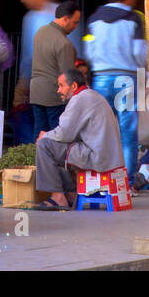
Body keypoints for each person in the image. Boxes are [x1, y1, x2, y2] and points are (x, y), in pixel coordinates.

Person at [31, 68, 124, 210]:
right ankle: (71, 193)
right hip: (107, 156)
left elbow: (64, 133)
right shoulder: (92, 95)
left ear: (73, 86)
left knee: (44, 145)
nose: (58, 90)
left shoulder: (80, 99)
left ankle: (58, 197)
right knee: (58, 147)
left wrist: (45, 135)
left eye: (61, 85)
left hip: (97, 157)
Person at [87, 0, 148, 179]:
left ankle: (100, 177)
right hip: (127, 79)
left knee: (100, 132)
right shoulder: (134, 19)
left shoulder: (93, 19)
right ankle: (127, 181)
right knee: (128, 134)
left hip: (101, 79)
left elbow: (89, 51)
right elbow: (139, 53)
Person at [14, 0, 57, 144]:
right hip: (34, 81)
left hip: (53, 81)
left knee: (50, 124)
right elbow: (27, 53)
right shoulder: (30, 17)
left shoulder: (58, 14)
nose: (23, 0)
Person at [30, 1, 80, 135]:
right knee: (57, 136)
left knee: (39, 133)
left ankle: (36, 156)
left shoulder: (39, 33)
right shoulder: (64, 44)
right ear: (65, 19)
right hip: (55, 96)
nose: (75, 26)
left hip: (36, 92)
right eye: (75, 22)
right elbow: (68, 77)